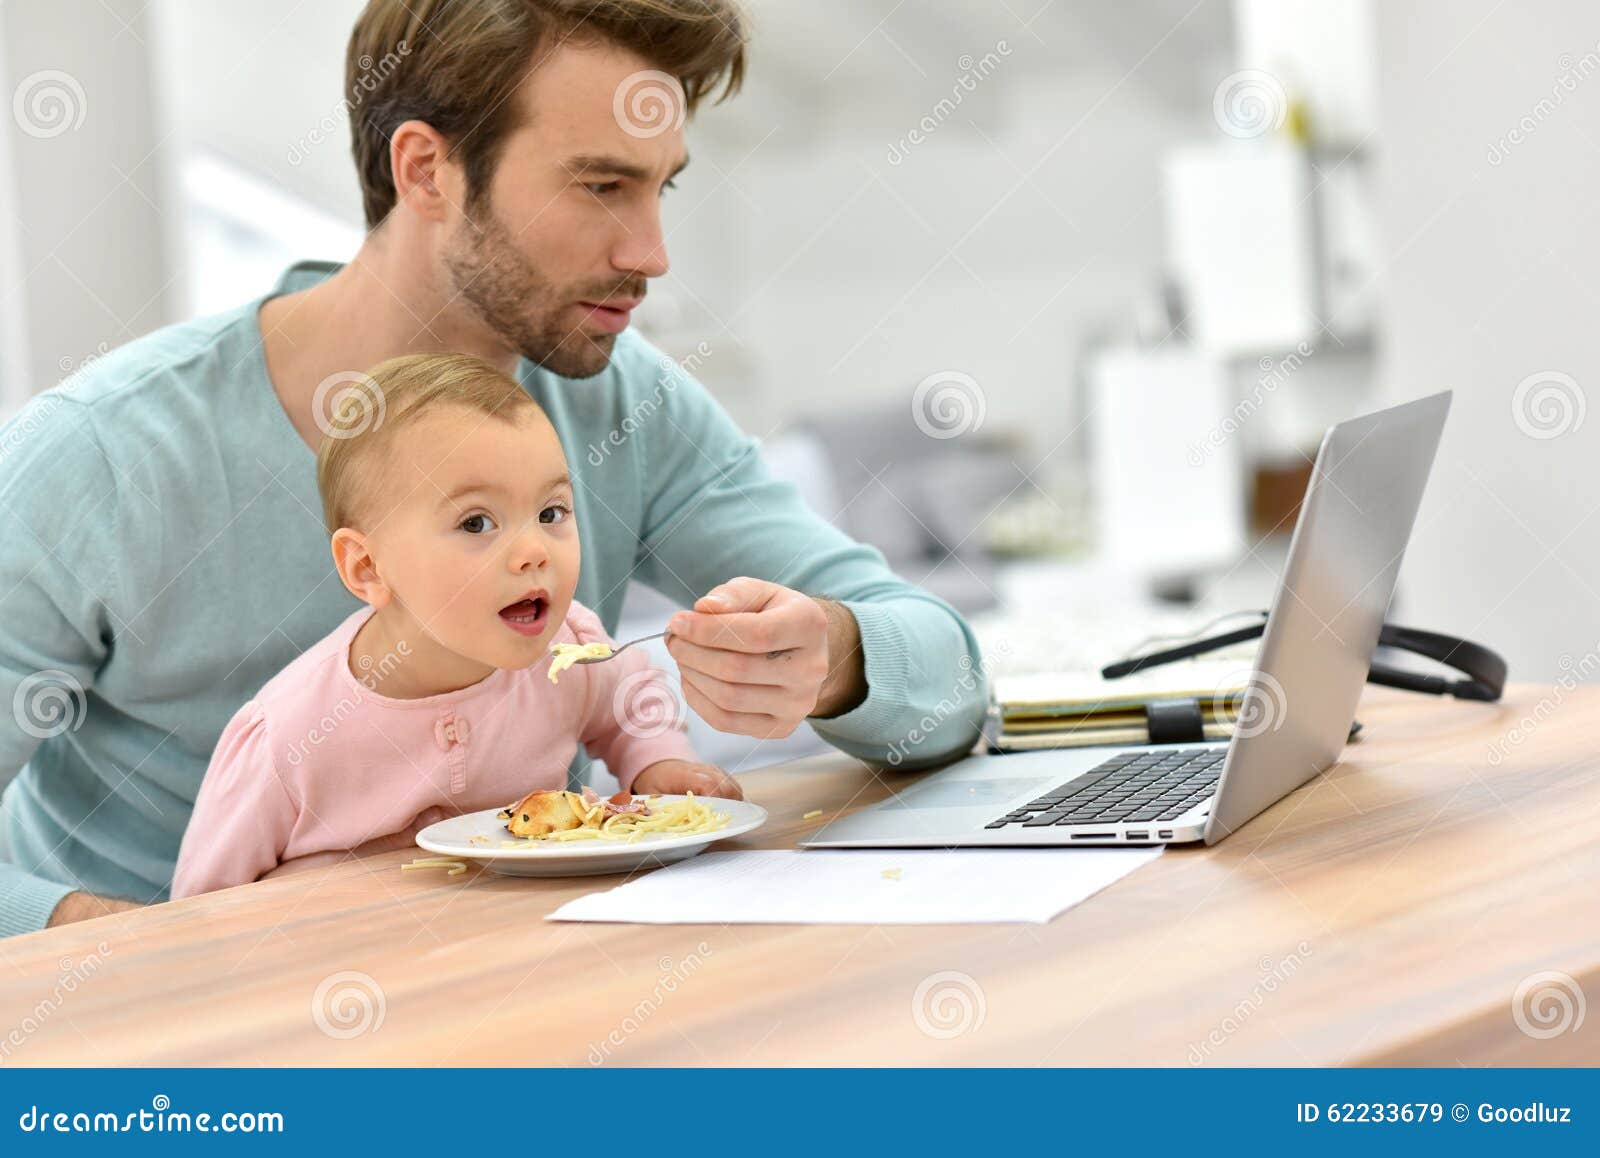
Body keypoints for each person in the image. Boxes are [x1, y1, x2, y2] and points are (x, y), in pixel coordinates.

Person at [0, 0, 985, 937]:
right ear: (427, 169)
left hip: (544, 989)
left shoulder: (626, 404)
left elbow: (947, 684)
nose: (651, 253)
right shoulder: (100, 458)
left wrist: (837, 656)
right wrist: (145, 949)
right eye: (601, 185)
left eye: (660, 185)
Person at [171, 354, 736, 898]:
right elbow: (202, 913)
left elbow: (627, 708)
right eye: (476, 522)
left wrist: (659, 761)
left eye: (551, 513)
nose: (533, 551)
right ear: (369, 568)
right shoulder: (288, 736)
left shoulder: (573, 650)